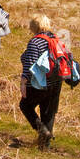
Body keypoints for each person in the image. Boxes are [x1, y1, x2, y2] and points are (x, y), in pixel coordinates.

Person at [19, 15, 63, 149]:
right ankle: (45, 146)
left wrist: (23, 82)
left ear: (34, 26)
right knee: (48, 112)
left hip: (40, 82)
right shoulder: (56, 40)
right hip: (56, 82)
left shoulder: (35, 42)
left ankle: (42, 130)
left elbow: (30, 65)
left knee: (25, 105)